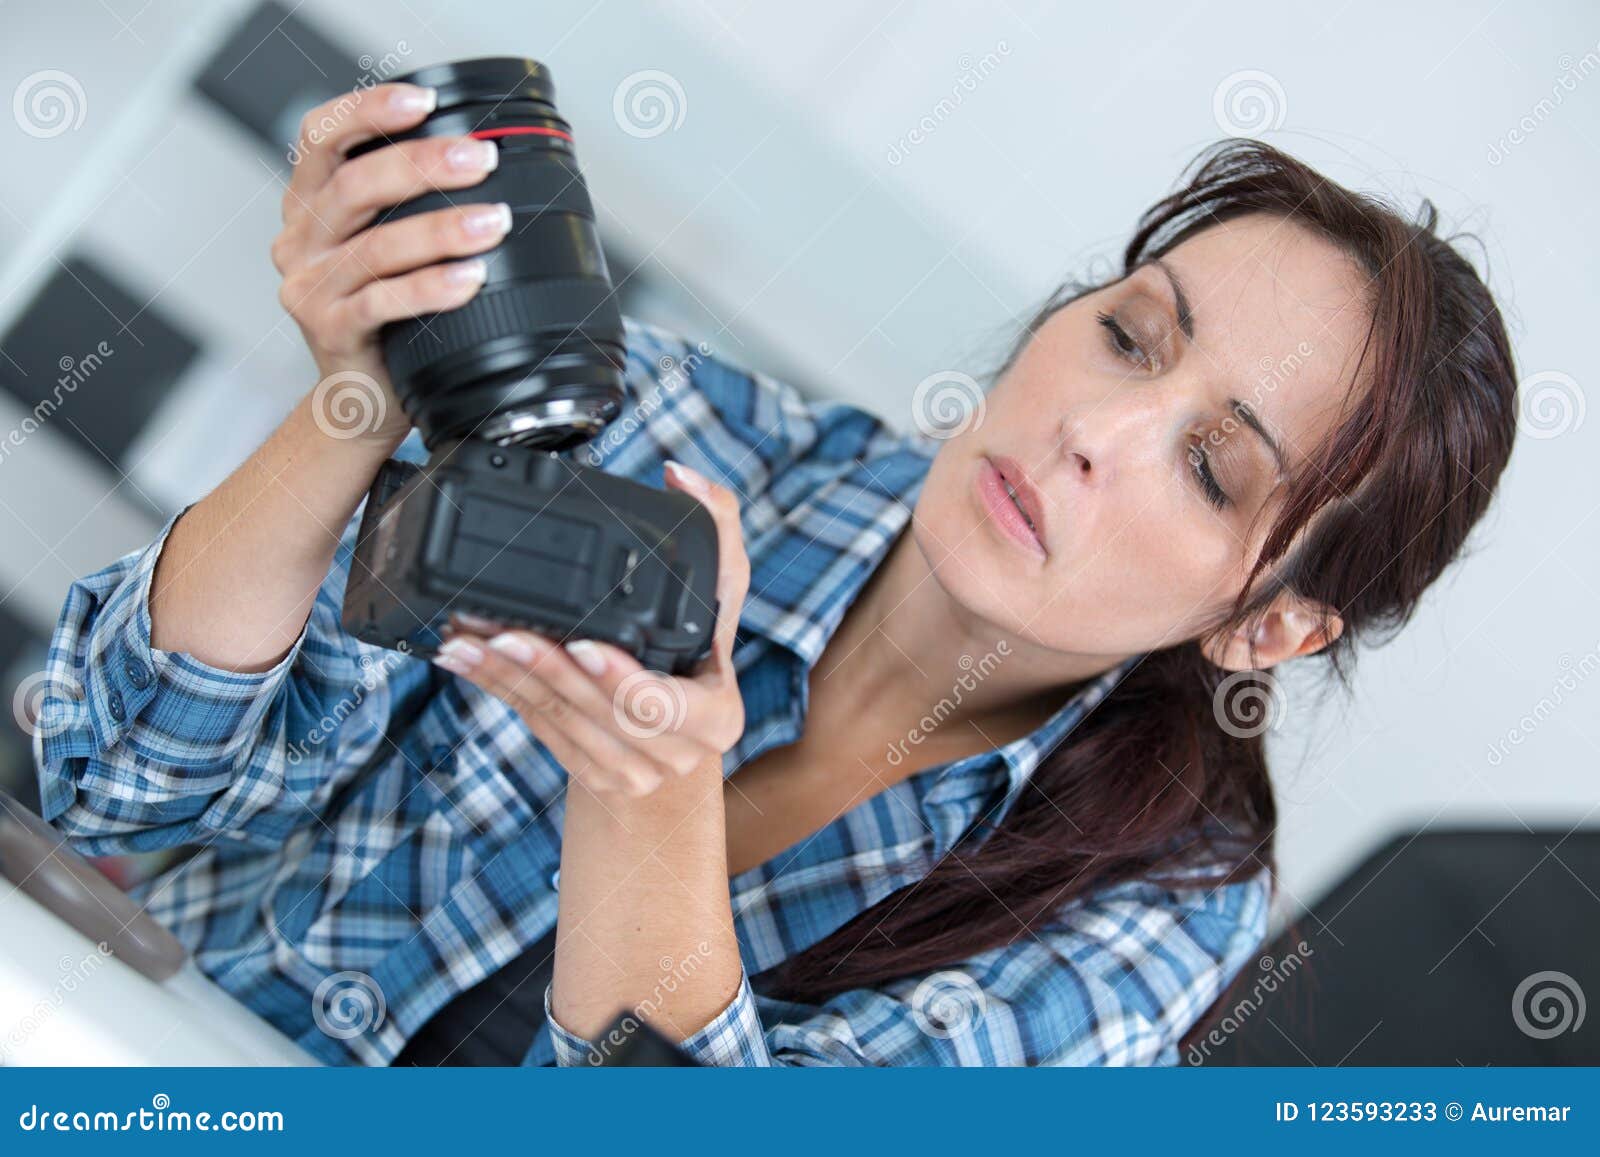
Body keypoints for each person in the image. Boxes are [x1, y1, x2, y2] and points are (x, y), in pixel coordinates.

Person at [35, 81, 1518, 1066]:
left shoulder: (1156, 910)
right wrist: (354, 404)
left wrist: (651, 799)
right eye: (1131, 333)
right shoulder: (669, 427)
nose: (1096, 429)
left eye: (1212, 469)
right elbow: (114, 782)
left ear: (1270, 622)